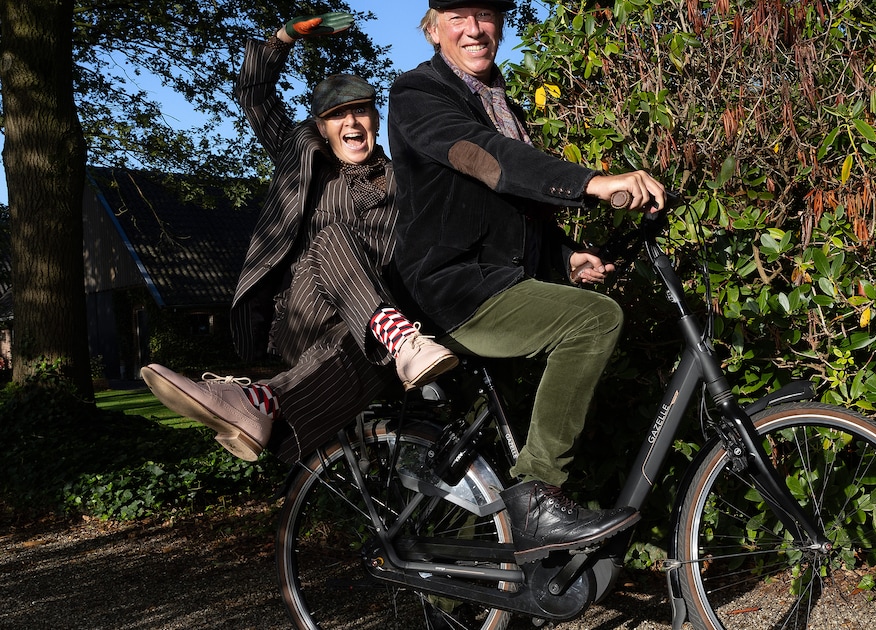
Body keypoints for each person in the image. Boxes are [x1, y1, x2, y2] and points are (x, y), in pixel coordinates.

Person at [389, 0, 668, 563]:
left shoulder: (498, 101)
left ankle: (480, 580)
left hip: (496, 282)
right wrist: (592, 181)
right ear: (433, 30)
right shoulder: (419, 94)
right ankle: (537, 494)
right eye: (458, 17)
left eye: (485, 15)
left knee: (491, 449)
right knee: (594, 320)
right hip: (453, 289)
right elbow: (487, 159)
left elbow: (511, 211)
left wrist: (565, 258)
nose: (474, 29)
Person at [141, 13, 457, 464]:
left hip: (366, 327)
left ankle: (254, 403)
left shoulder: (404, 181)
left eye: (361, 110)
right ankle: (402, 340)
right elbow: (254, 95)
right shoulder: (303, 157)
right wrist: (283, 38)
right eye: (337, 114)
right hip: (302, 315)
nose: (351, 121)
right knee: (332, 238)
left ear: (375, 117)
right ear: (322, 128)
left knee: (361, 348)